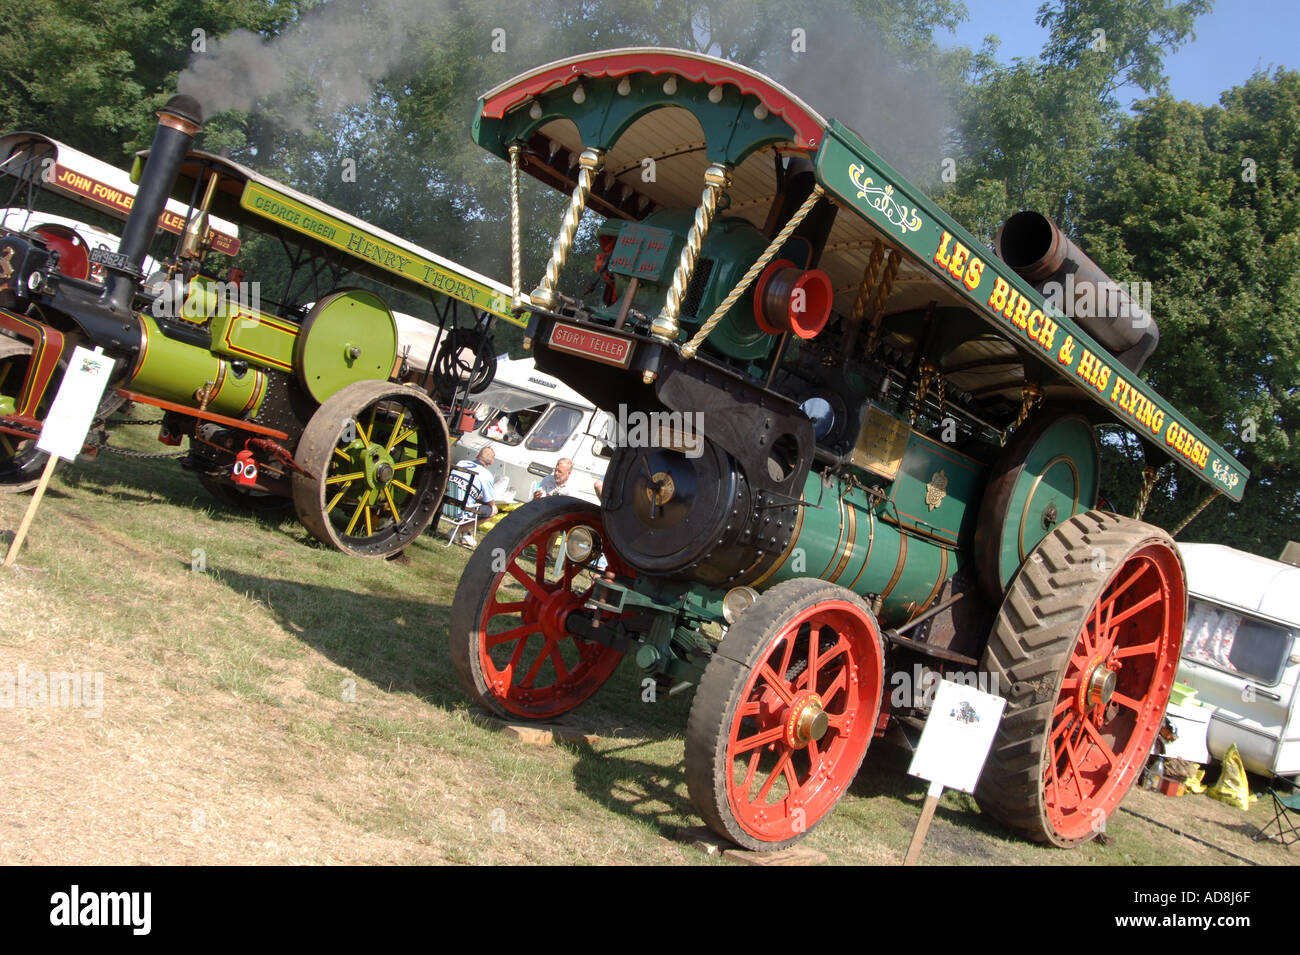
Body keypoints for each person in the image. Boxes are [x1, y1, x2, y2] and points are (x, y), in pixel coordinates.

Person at [446, 446, 497, 547]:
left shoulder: (462, 463)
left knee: (470, 500)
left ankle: (466, 534)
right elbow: (490, 502)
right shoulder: (486, 475)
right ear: (491, 462)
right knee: (493, 510)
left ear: (477, 455)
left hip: (445, 504)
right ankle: (457, 531)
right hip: (460, 511)